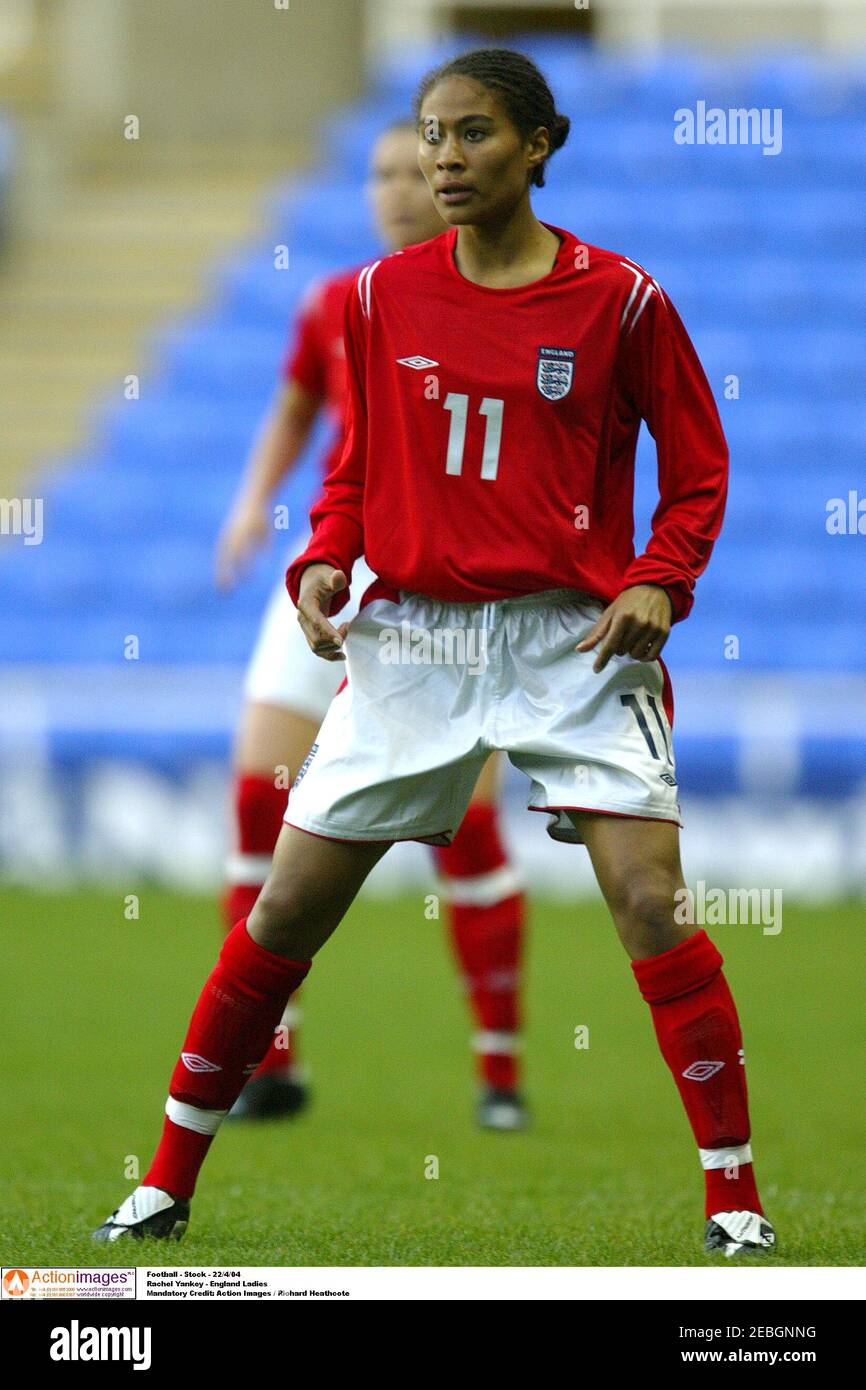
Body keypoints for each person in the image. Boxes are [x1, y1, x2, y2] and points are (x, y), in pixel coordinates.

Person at [94, 47, 775, 1258]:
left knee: (649, 905)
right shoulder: (376, 296)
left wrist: (660, 582)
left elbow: (699, 468)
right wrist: (321, 556)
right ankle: (162, 1180)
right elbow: (353, 472)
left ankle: (733, 1202)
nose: (443, 160)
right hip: (408, 638)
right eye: (429, 137)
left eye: (470, 136)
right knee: (285, 910)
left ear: (536, 148)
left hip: (568, 641)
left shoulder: (620, 300)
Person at [215, 120, 529, 1130]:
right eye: (380, 172)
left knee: (466, 824)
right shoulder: (334, 303)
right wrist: (247, 501)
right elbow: (296, 405)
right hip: (327, 576)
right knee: (258, 800)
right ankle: (269, 1061)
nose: (397, 188)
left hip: (441, 597)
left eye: (414, 169)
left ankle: (497, 1070)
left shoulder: (493, 301)